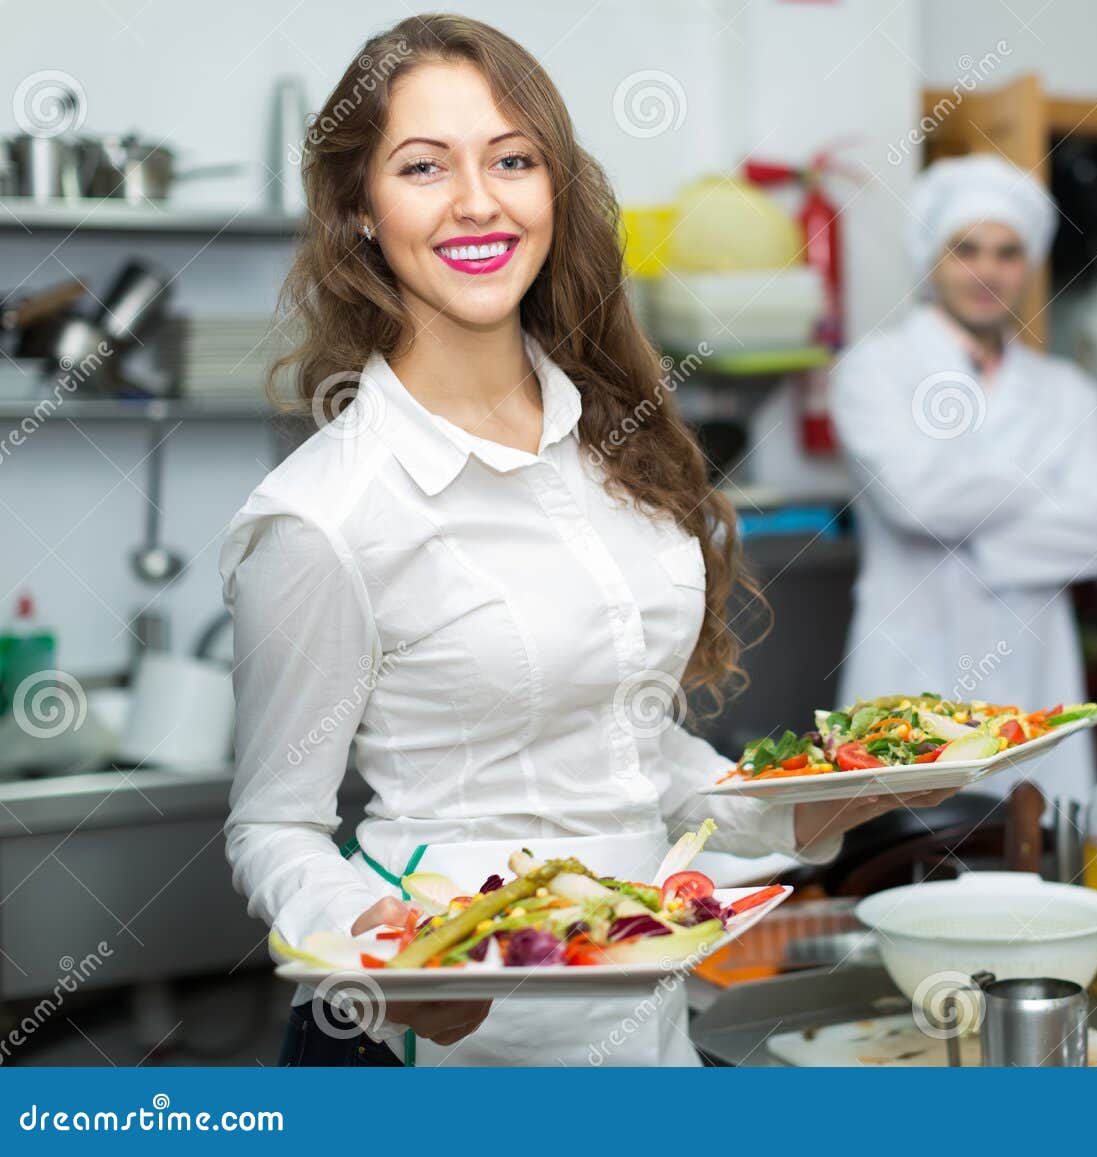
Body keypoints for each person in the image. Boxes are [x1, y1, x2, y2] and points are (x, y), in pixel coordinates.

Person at [221, 14, 949, 1068]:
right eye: (424, 166)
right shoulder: (324, 514)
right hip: (441, 1048)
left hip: (641, 1025)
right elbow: (272, 827)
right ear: (360, 212)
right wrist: (377, 953)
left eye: (512, 159)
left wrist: (824, 800)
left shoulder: (616, 446)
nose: (478, 200)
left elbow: (633, 756)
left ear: (553, 190)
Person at [829, 155, 1097, 803]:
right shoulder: (872, 371)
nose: (987, 270)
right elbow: (918, 502)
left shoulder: (1064, 389)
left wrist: (984, 540)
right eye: (967, 249)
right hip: (909, 672)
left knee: (1038, 871)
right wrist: (1047, 474)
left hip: (1032, 680)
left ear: (1028, 265)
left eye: (1008, 252)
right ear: (933, 259)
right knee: (902, 874)